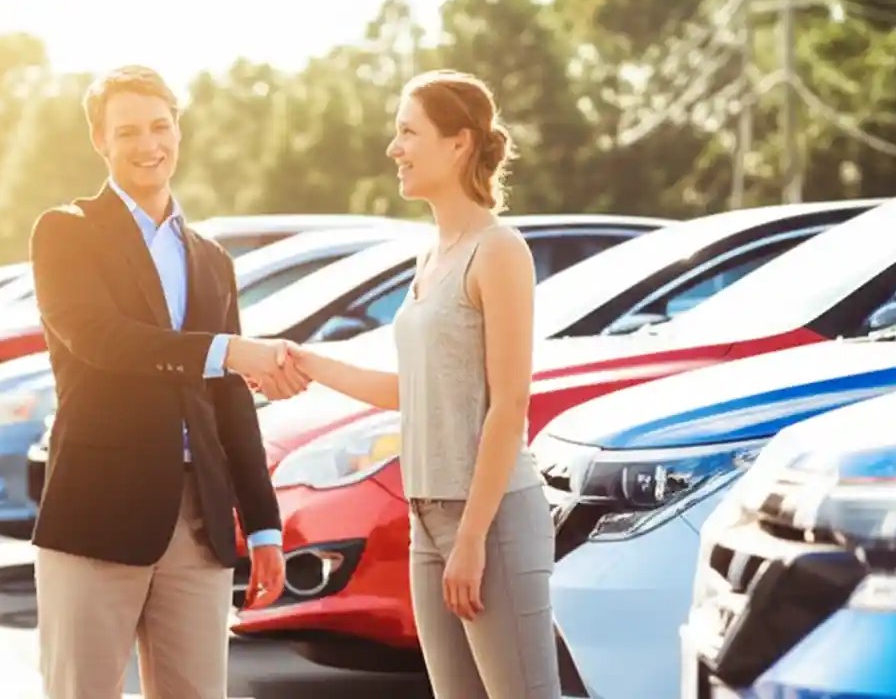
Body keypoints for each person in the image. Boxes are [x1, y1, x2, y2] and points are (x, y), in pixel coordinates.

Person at [28, 65, 307, 699]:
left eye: (160, 126)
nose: (147, 144)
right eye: (127, 131)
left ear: (179, 129)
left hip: (198, 524)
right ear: (100, 141)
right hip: (98, 512)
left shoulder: (211, 258)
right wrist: (230, 350)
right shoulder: (65, 231)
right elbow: (101, 340)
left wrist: (263, 525)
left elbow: (230, 398)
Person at [286, 70, 561, 698]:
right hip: (426, 519)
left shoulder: (497, 250)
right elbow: (410, 390)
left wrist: (470, 541)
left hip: (489, 521)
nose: (395, 149)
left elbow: (508, 405)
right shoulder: (431, 255)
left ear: (458, 143)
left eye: (408, 132)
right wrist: (307, 361)